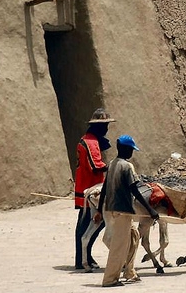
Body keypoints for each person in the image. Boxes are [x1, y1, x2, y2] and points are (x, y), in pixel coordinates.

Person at [97, 135, 157, 287]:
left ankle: (129, 271)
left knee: (134, 237)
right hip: (122, 211)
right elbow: (135, 190)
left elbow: (104, 188)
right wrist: (150, 210)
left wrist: (99, 210)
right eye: (131, 149)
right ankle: (109, 279)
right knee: (119, 247)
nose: (132, 153)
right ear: (125, 149)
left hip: (113, 209)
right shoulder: (127, 166)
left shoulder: (112, 164)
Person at [74, 108, 114, 270]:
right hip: (89, 189)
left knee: (88, 224)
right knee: (92, 224)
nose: (106, 128)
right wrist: (113, 168)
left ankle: (86, 255)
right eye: (104, 125)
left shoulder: (89, 139)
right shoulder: (91, 143)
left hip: (86, 185)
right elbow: (96, 166)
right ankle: (81, 258)